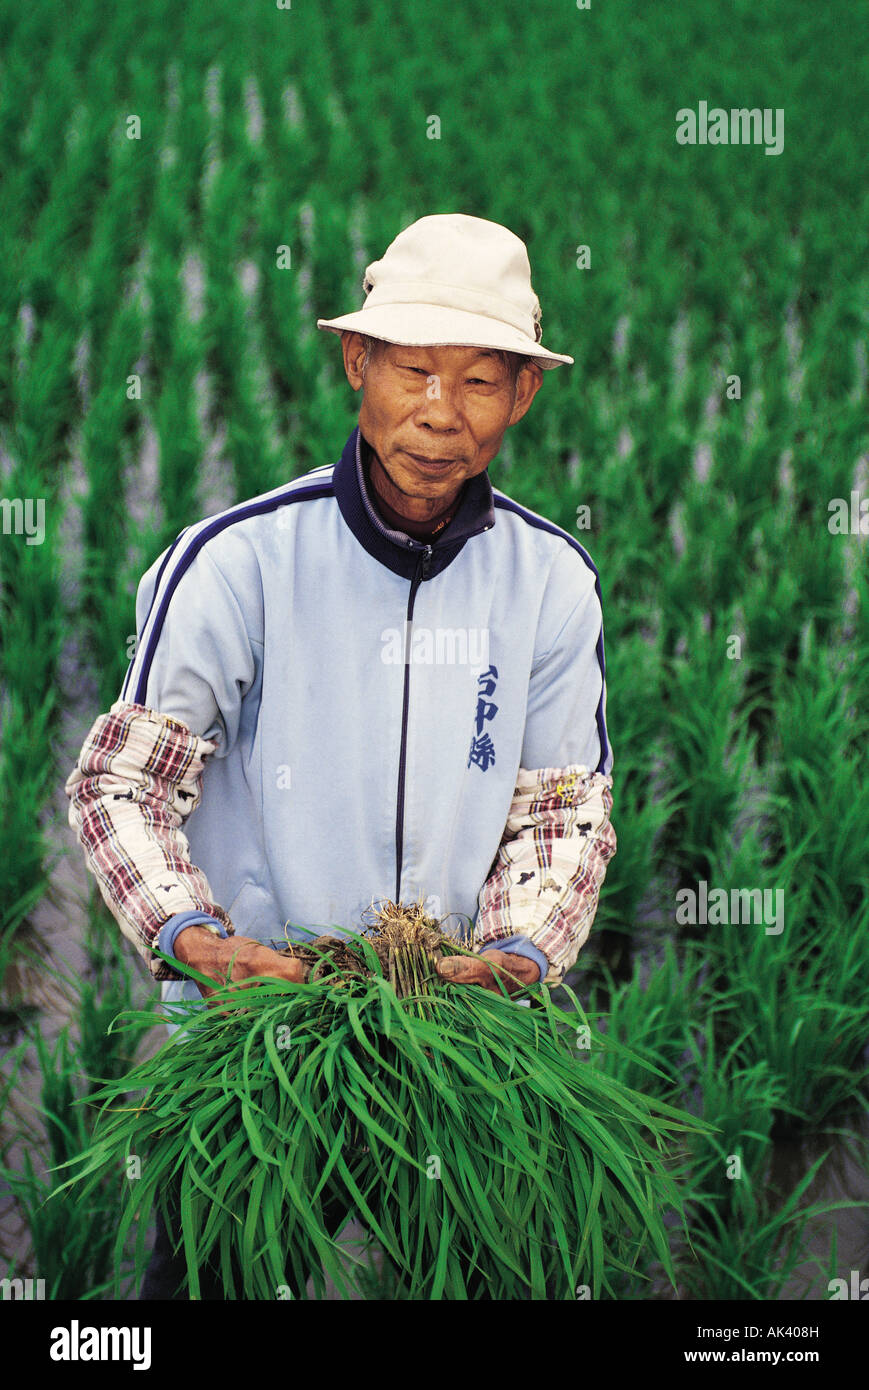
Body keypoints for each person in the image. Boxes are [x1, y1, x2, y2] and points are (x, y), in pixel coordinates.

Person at [65, 212, 618, 1298]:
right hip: (251, 1041)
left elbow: (559, 814)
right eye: (412, 370)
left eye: (477, 381)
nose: (437, 415)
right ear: (356, 362)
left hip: (447, 1040)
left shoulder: (550, 583)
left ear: (523, 395)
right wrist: (193, 938)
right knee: (216, 1276)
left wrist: (516, 951)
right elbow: (121, 782)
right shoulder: (236, 563)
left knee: (455, 1277)